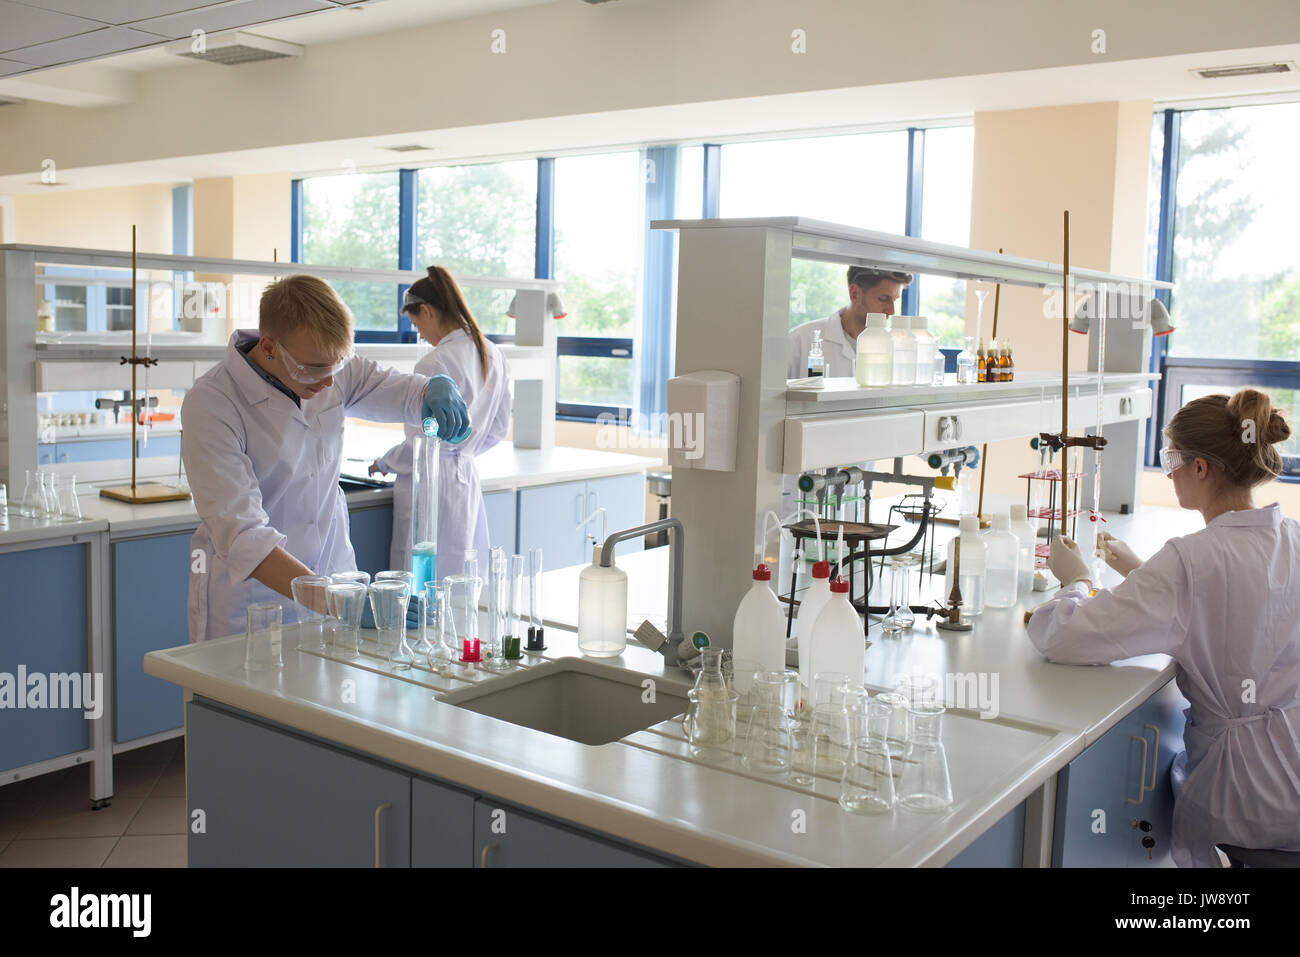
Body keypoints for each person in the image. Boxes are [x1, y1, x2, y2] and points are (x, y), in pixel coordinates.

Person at [1029, 389, 1300, 867]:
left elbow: (1063, 637)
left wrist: (1077, 580)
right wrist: (1143, 574)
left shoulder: (1190, 559)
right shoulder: (1292, 537)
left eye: (1172, 457)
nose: (1168, 468)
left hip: (1247, 797)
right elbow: (1239, 611)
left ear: (1201, 467)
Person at [181, 274, 469, 643]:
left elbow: (398, 391)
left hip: (335, 583)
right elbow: (243, 537)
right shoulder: (213, 402)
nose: (329, 383)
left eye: (336, 366)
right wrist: (342, 602)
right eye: (315, 369)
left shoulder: (325, 363)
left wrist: (434, 387)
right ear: (268, 346)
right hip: (254, 607)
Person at [369, 266, 511, 581]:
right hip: (464, 477)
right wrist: (462, 452)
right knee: (459, 580)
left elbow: (419, 446)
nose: (418, 332)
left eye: (416, 322)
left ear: (427, 310)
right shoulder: (493, 354)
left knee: (421, 583)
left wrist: (385, 461)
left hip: (430, 486)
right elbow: (498, 430)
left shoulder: (434, 363)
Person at [787, 266, 913, 378]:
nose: (891, 311)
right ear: (855, 294)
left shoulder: (896, 346)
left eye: (894, 300)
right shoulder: (800, 340)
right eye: (884, 299)